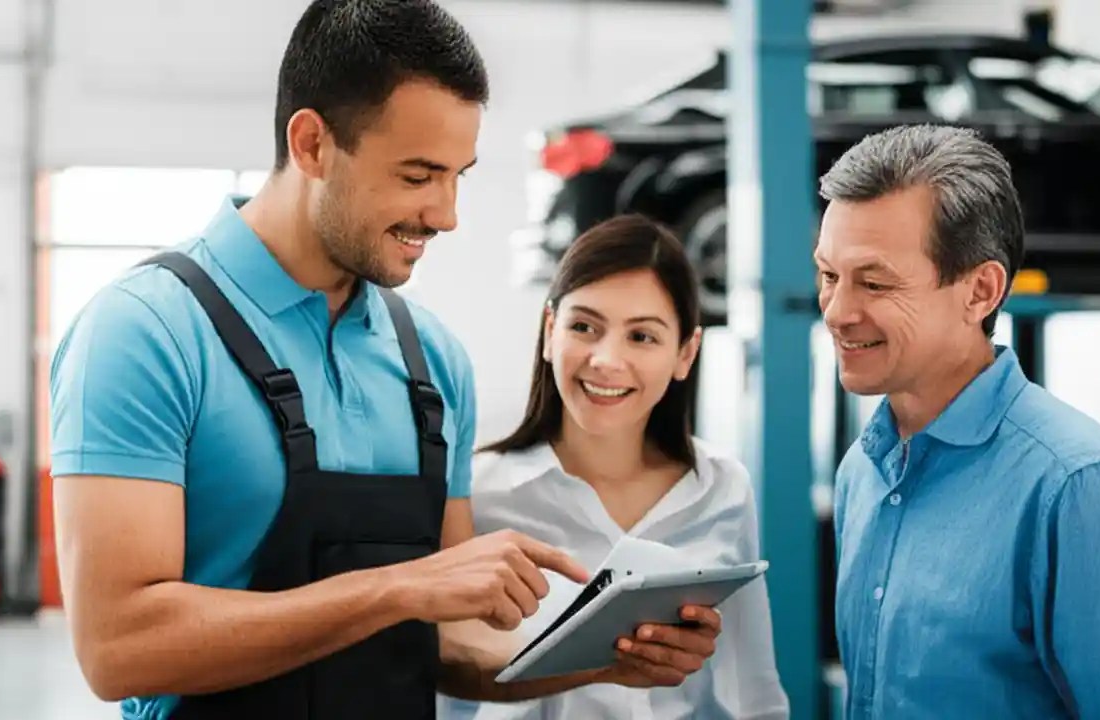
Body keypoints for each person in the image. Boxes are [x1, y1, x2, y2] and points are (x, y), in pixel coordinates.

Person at [49, 2, 724, 719]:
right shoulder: (146, 333)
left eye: (458, 175)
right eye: (417, 175)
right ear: (312, 144)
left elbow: (445, 642)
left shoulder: (433, 360)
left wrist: (601, 657)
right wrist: (400, 588)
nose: (446, 214)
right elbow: (118, 648)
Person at [818, 123, 1100, 719]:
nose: (837, 312)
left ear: (980, 291)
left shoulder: (1084, 492)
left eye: (874, 282)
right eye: (828, 275)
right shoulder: (863, 471)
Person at [439, 215, 790, 720]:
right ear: (550, 331)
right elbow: (443, 675)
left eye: (642, 336)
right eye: (584, 327)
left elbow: (753, 690)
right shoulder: (476, 492)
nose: (606, 360)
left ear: (685, 353)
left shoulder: (722, 487)